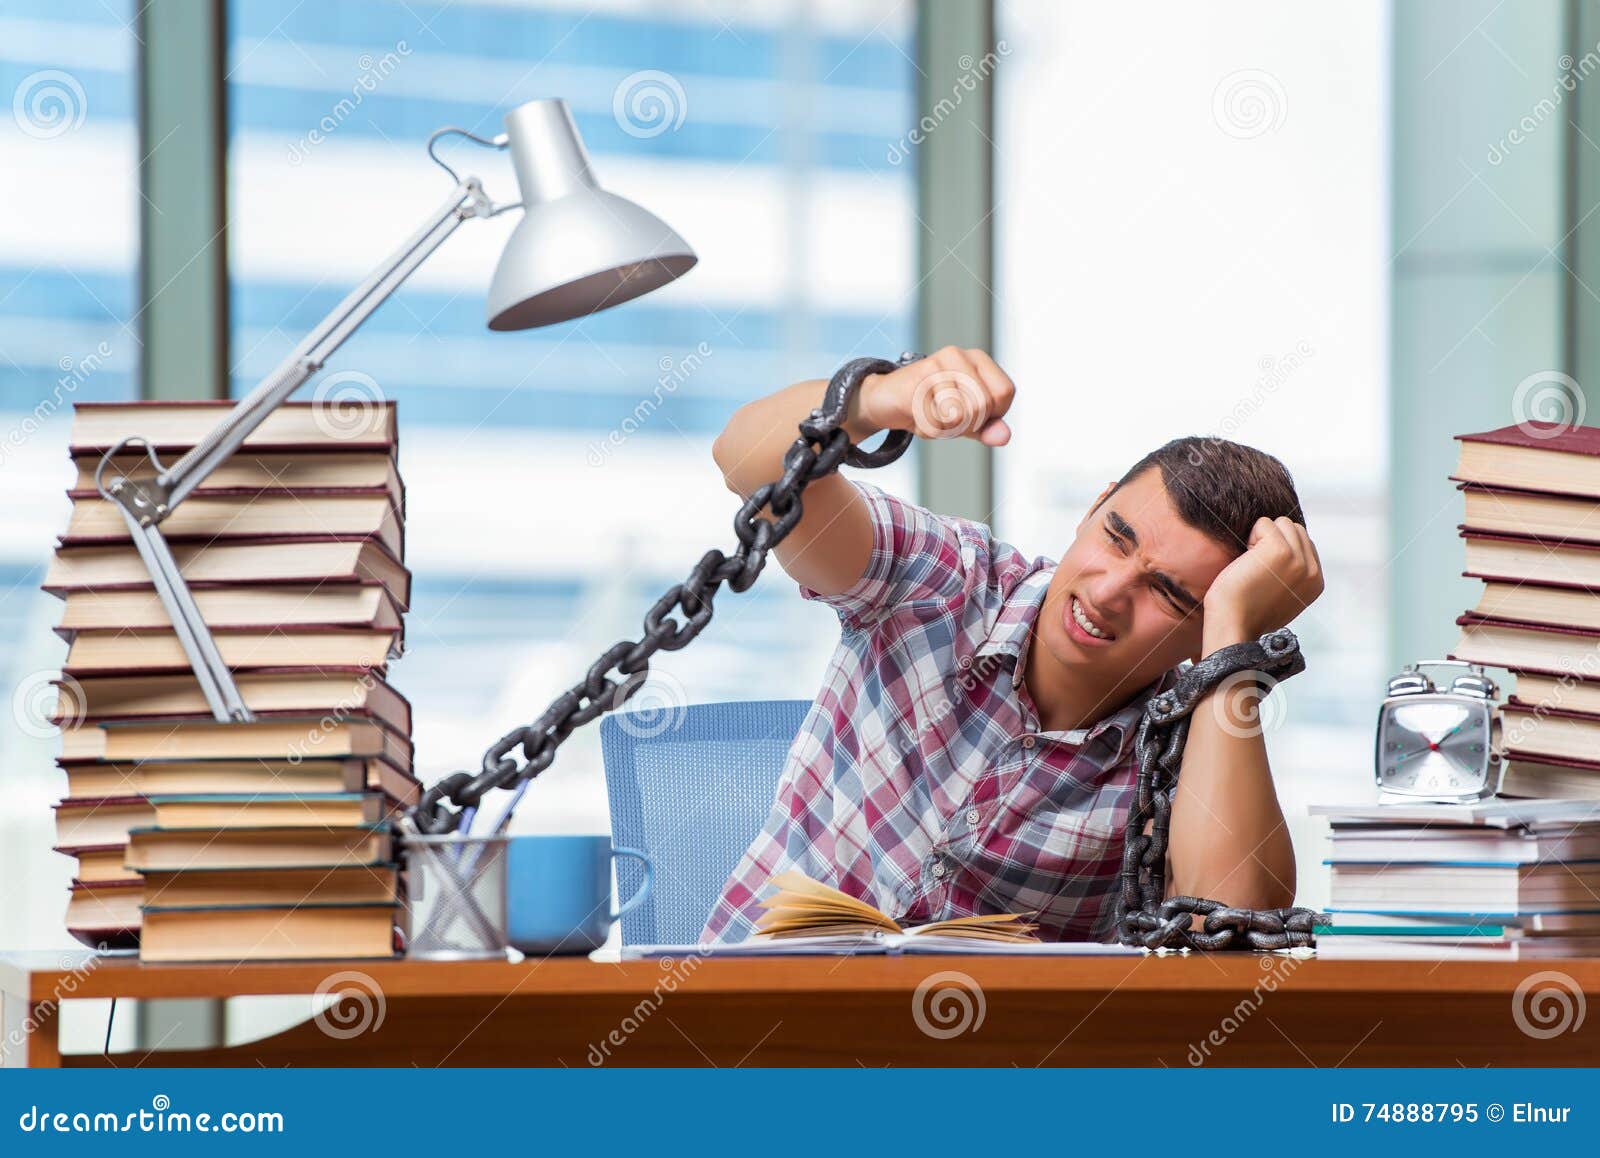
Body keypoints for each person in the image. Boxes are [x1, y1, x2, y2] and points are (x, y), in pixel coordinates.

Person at [700, 347, 1324, 942]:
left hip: (978, 1025)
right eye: (1116, 538)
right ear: (1094, 506)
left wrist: (1233, 646)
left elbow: (1230, 931)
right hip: (739, 1005)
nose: (1108, 592)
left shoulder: (1191, 745)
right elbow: (744, 459)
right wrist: (875, 398)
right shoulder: (944, 578)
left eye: (1167, 593)